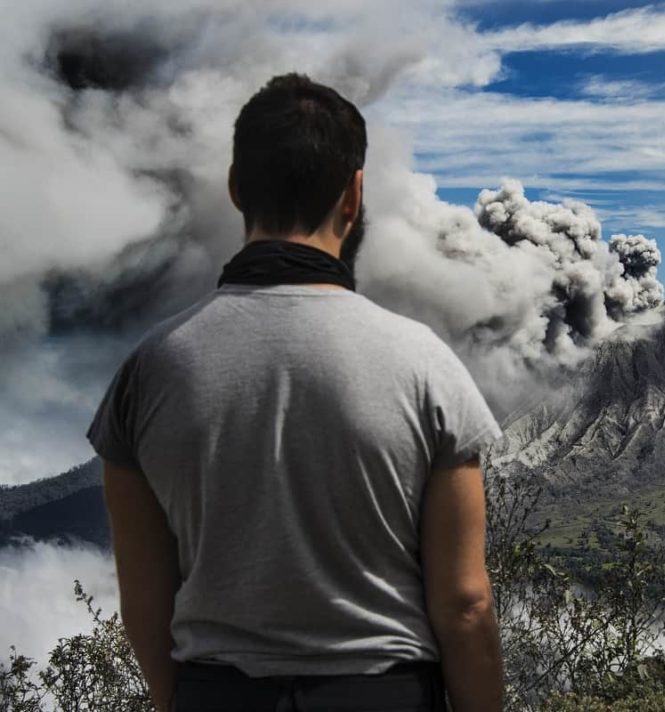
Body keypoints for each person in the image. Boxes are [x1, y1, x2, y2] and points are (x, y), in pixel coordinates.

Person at [88, 74, 505, 712]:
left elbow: (145, 602)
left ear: (234, 188)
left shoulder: (149, 370)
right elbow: (466, 604)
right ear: (354, 194)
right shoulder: (426, 364)